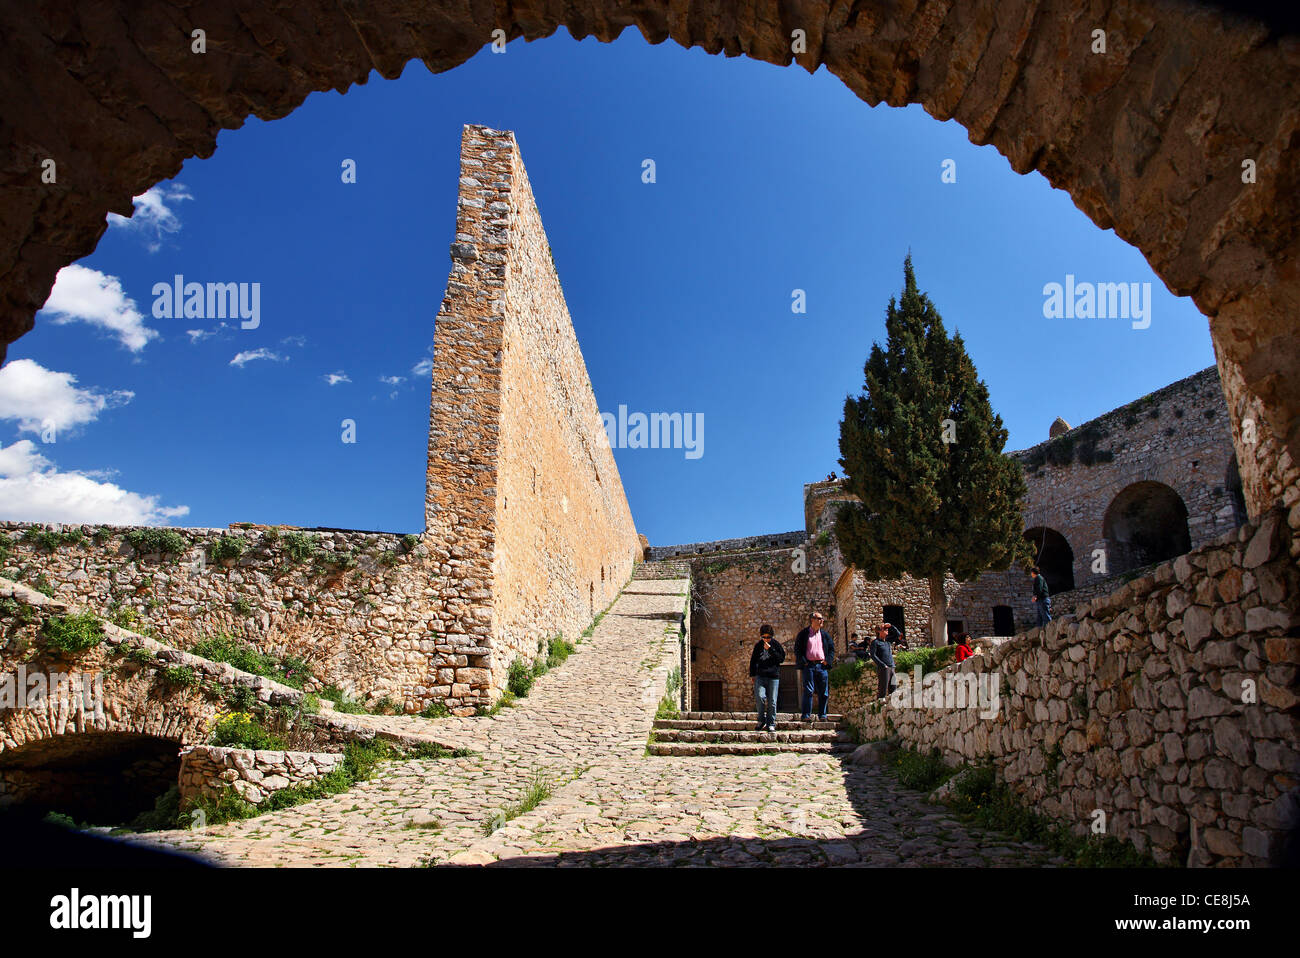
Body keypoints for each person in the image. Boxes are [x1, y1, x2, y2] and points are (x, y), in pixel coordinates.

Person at [793, 611, 835, 722]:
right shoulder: (804, 634)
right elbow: (797, 649)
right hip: (809, 666)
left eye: (822, 618)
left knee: (824, 692)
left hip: (821, 666)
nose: (822, 621)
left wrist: (828, 661)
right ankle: (806, 715)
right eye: (820, 618)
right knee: (808, 690)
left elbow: (831, 649)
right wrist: (804, 661)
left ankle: (822, 715)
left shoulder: (825, 635)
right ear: (812, 619)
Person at [748, 624, 784, 732]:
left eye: (768, 637)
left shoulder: (776, 645)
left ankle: (771, 723)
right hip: (760, 676)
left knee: (772, 701)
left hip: (773, 677)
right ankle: (761, 720)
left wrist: (771, 650)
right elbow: (753, 660)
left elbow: (781, 659)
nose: (766, 639)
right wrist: (752, 674)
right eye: (764, 637)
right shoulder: (758, 645)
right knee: (760, 697)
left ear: (772, 636)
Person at [868, 624, 896, 700]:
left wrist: (891, 626)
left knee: (894, 689)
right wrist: (883, 665)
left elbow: (898, 634)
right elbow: (873, 655)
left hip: (892, 667)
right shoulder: (875, 642)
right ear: (879, 631)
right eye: (885, 629)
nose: (887, 630)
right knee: (882, 690)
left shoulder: (888, 642)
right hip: (884, 668)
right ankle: (879, 708)